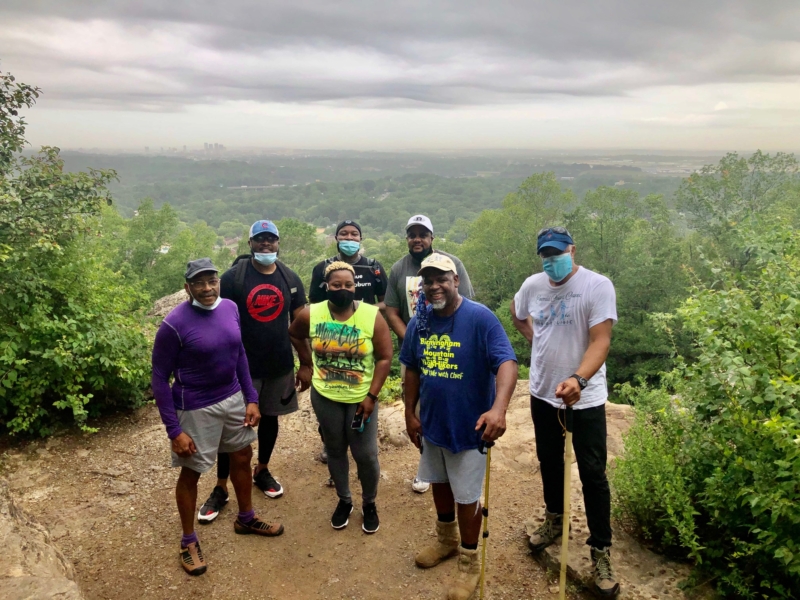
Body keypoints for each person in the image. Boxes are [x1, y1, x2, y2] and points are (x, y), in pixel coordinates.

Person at [152, 258, 284, 577]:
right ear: (187, 288)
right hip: (195, 407)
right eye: (199, 283)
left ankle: (246, 517)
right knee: (192, 471)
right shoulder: (174, 324)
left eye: (211, 280)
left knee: (241, 457)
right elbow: (159, 377)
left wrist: (251, 398)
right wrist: (174, 430)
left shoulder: (229, 308)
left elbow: (239, 354)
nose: (207, 288)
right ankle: (188, 541)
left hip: (233, 398)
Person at [510, 226, 619, 597]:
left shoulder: (596, 286)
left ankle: (600, 549)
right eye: (546, 255)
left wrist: (579, 379)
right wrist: (534, 338)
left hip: (584, 399)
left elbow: (601, 340)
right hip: (543, 393)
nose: (551, 260)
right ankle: (555, 519)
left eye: (558, 253)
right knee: (550, 461)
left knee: (592, 473)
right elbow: (517, 312)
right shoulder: (533, 285)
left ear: (572, 250)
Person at [401, 253, 517, 600]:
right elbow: (411, 368)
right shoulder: (420, 320)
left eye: (441, 279)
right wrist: (409, 412)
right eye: (427, 281)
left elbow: (507, 362)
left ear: (455, 281)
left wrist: (499, 409)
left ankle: (469, 563)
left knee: (467, 496)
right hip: (433, 421)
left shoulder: (479, 318)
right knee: (438, 481)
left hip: (470, 426)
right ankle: (446, 541)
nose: (434, 286)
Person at [196, 220, 310, 523]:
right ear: (250, 244)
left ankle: (262, 469)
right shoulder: (234, 278)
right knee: (231, 428)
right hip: (239, 368)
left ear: (277, 243)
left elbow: (300, 323)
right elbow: (216, 318)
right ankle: (221, 487)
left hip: (279, 365)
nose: (265, 244)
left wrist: (307, 363)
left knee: (270, 418)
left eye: (270, 239)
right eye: (259, 239)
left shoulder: (290, 278)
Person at [289, 261, 393, 533]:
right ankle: (344, 500)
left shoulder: (371, 315)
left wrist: (372, 395)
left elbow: (384, 358)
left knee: (366, 455)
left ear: (355, 286)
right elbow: (295, 334)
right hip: (326, 396)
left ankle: (369, 503)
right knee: (335, 450)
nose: (343, 289)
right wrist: (306, 364)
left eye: (348, 285)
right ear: (327, 286)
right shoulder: (312, 313)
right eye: (336, 285)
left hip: (361, 398)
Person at [385, 214, 475, 494]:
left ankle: (459, 463)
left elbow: (468, 303)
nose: (417, 239)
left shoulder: (451, 263)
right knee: (419, 409)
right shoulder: (399, 269)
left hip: (450, 349)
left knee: (449, 403)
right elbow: (391, 310)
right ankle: (427, 468)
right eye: (412, 234)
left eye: (423, 234)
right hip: (414, 354)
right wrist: (412, 340)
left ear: (431, 238)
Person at [309, 219, 387, 466]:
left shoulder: (373, 268)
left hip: (365, 338)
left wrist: (364, 313)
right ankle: (331, 444)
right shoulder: (323, 268)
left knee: (362, 391)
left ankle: (363, 445)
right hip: (331, 340)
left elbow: (387, 301)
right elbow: (313, 306)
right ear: (336, 238)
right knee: (330, 394)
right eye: (344, 234)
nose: (349, 238)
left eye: (354, 234)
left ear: (361, 239)